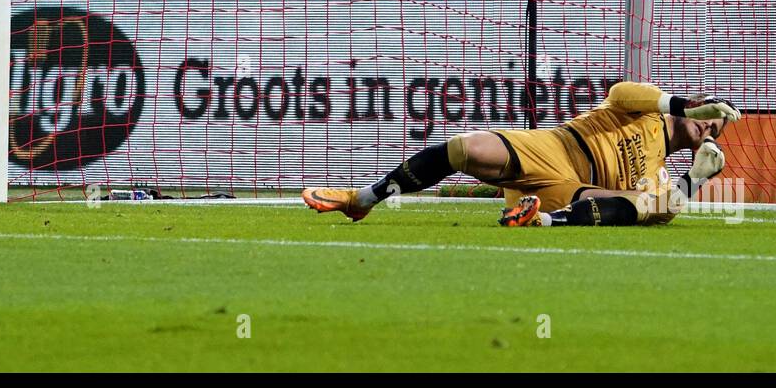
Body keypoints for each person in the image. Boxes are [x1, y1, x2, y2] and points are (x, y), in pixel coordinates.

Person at [303, 82, 738, 227]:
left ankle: (541, 221)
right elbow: (621, 92)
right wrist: (682, 106)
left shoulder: (662, 174)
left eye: (715, 130)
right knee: (464, 148)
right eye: (709, 113)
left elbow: (664, 211)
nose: (708, 125)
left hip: (571, 193)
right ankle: (362, 200)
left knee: (647, 205)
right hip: (556, 147)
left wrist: (695, 179)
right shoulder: (647, 109)